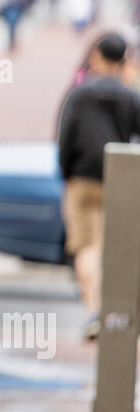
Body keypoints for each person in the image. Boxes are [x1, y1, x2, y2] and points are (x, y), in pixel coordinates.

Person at [56, 32, 140, 339]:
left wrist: (66, 172)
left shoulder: (79, 93)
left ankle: (94, 311)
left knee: (85, 248)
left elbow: (64, 136)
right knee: (107, 248)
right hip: (118, 178)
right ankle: (110, 311)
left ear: (98, 56)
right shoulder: (129, 95)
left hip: (81, 178)